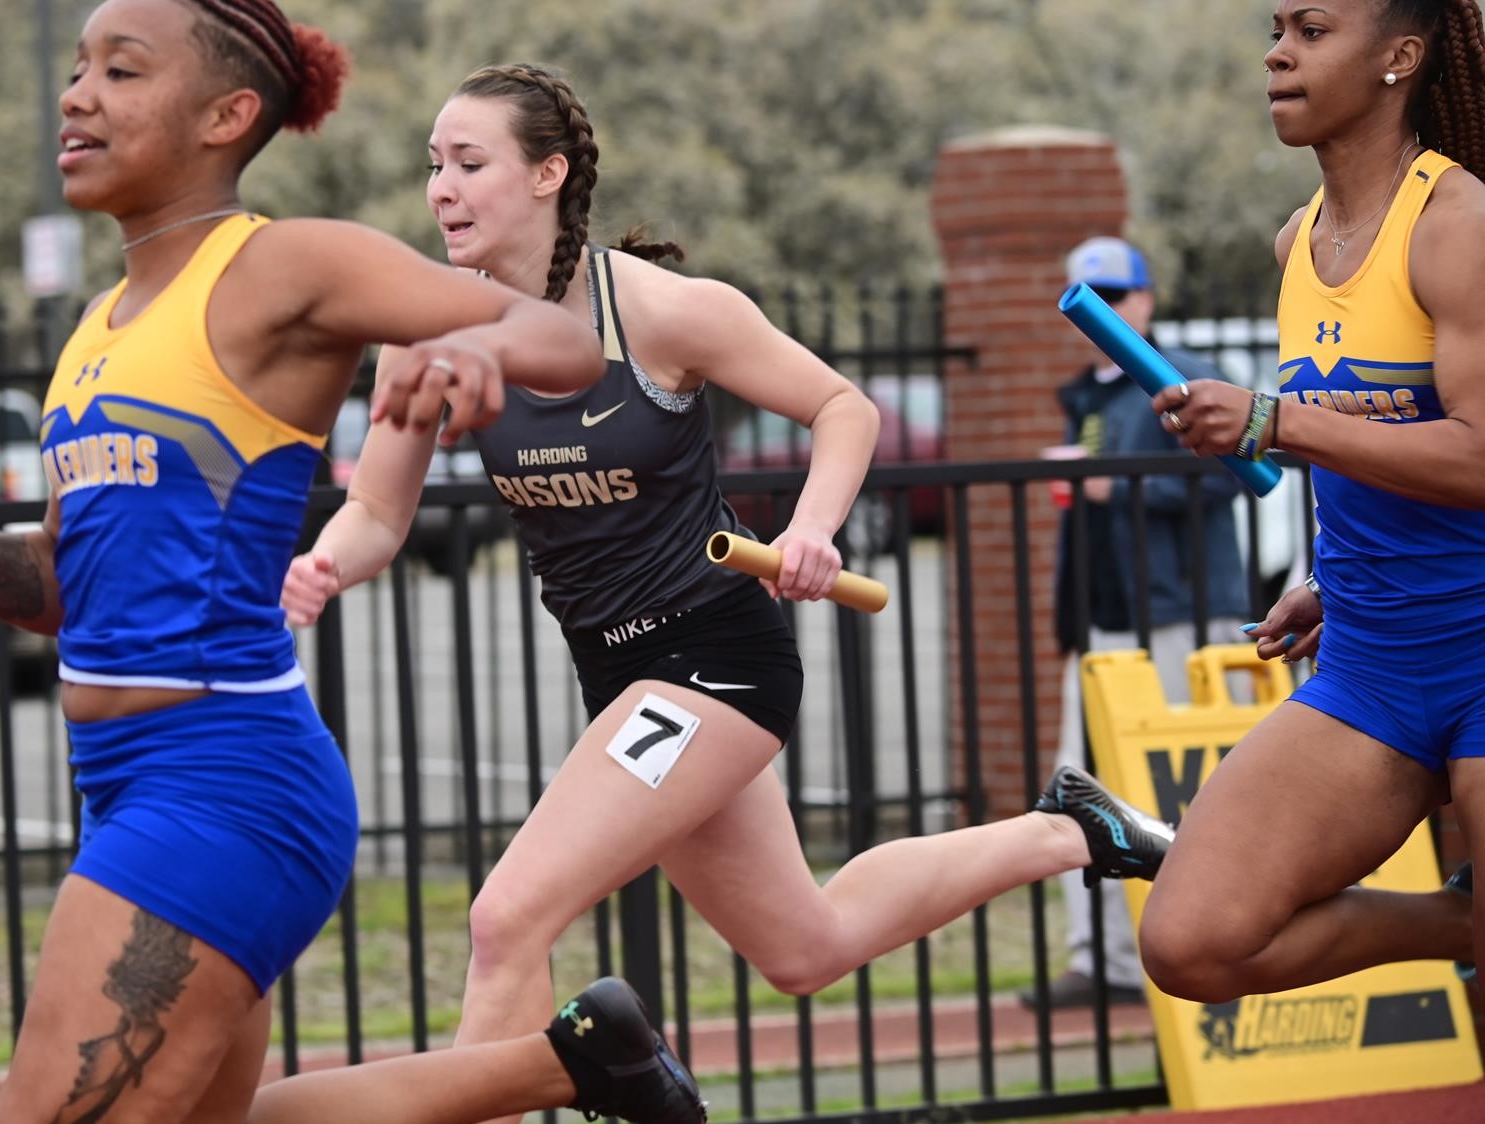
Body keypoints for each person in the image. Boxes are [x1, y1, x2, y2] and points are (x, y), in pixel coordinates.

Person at [0, 4, 707, 1121]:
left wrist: (470, 343)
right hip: (122, 783)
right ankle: (573, 1061)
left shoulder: (283, 262)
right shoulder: (96, 329)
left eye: (120, 69)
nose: (75, 93)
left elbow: (566, 343)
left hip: (222, 783)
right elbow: (62, 586)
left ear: (226, 113)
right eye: (78, 66)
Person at [282, 62, 1176, 1122]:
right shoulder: (427, 337)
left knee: (507, 915)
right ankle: (1070, 830)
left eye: (468, 162)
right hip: (619, 675)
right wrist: (328, 560)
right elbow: (378, 511)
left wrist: (808, 527)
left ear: (546, 175)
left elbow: (841, 407)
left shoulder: (660, 311)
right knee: (806, 945)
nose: (439, 187)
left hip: (712, 656)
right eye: (432, 164)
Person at [1139, 0, 1485, 1005]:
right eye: (1275, 26)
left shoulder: (1458, 225)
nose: (1275, 52)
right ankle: (1459, 920)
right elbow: (1378, 443)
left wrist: (1273, 423)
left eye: (1311, 30)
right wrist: (1325, 577)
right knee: (1190, 938)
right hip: (1375, 664)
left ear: (1399, 57)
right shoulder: (1298, 240)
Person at [1029, 237, 1252, 1011]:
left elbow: (1233, 477)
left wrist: (1109, 490)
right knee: (1080, 785)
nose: (1102, 315)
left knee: (1194, 786)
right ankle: (1103, 962)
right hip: (1102, 622)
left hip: (1178, 614)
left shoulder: (1177, 375)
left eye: (1116, 297)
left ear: (1145, 302)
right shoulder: (1085, 395)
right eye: (1086, 300)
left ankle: (1214, 956)